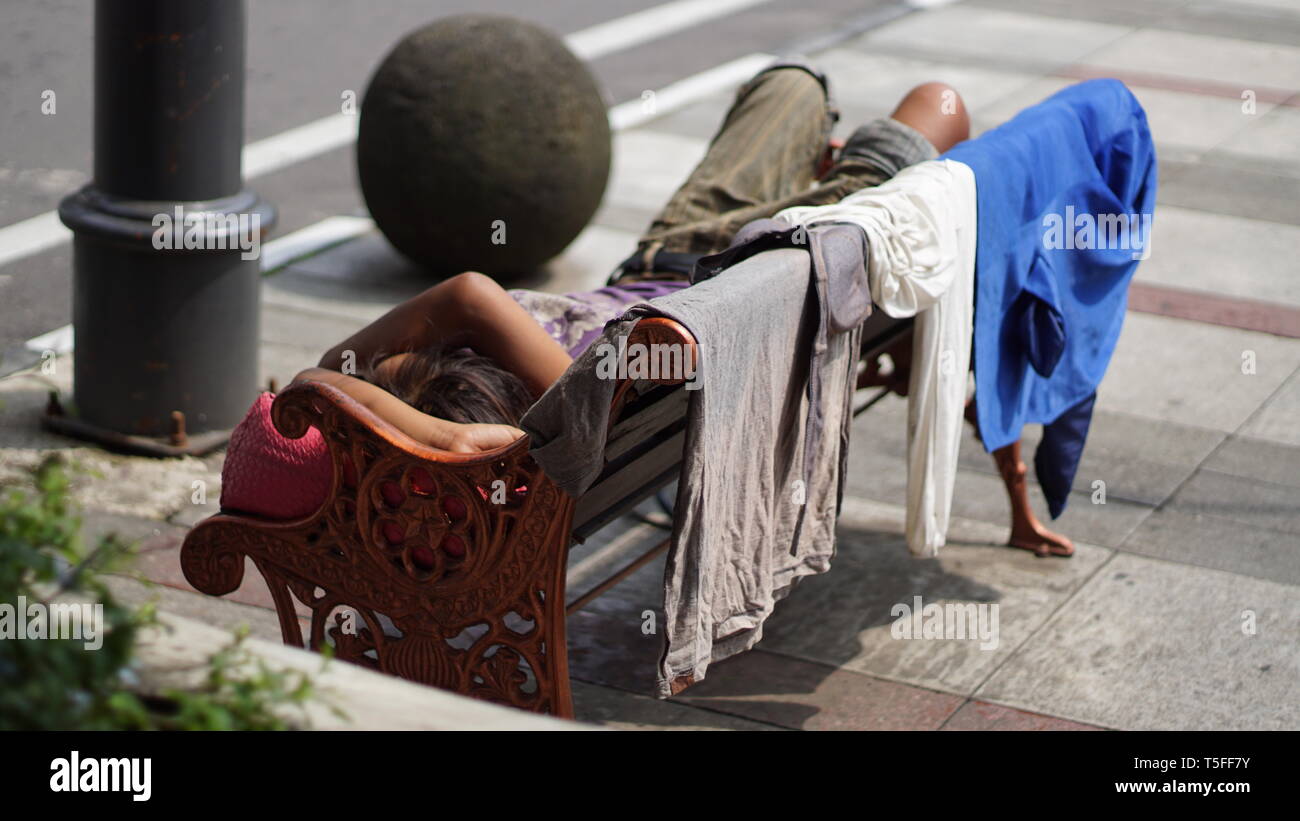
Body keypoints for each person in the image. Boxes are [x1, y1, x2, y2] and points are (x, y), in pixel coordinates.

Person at [289, 62, 1072, 556]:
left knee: (790, 85)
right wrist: (441, 422)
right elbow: (453, 302)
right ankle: (832, 170)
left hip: (673, 255)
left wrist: (428, 426)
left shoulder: (524, 416)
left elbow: (314, 383)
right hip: (752, 268)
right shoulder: (567, 399)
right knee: (940, 103)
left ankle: (825, 161)